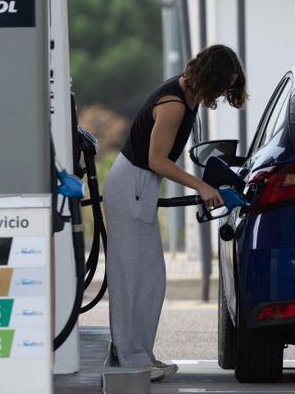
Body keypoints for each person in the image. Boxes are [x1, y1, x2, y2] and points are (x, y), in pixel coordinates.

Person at [103, 44, 247, 381]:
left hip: (140, 186)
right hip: (132, 186)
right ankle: (130, 359)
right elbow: (156, 159)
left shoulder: (186, 96)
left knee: (150, 276)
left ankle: (140, 353)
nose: (224, 94)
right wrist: (201, 186)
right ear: (211, 78)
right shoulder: (173, 104)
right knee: (131, 276)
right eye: (224, 86)